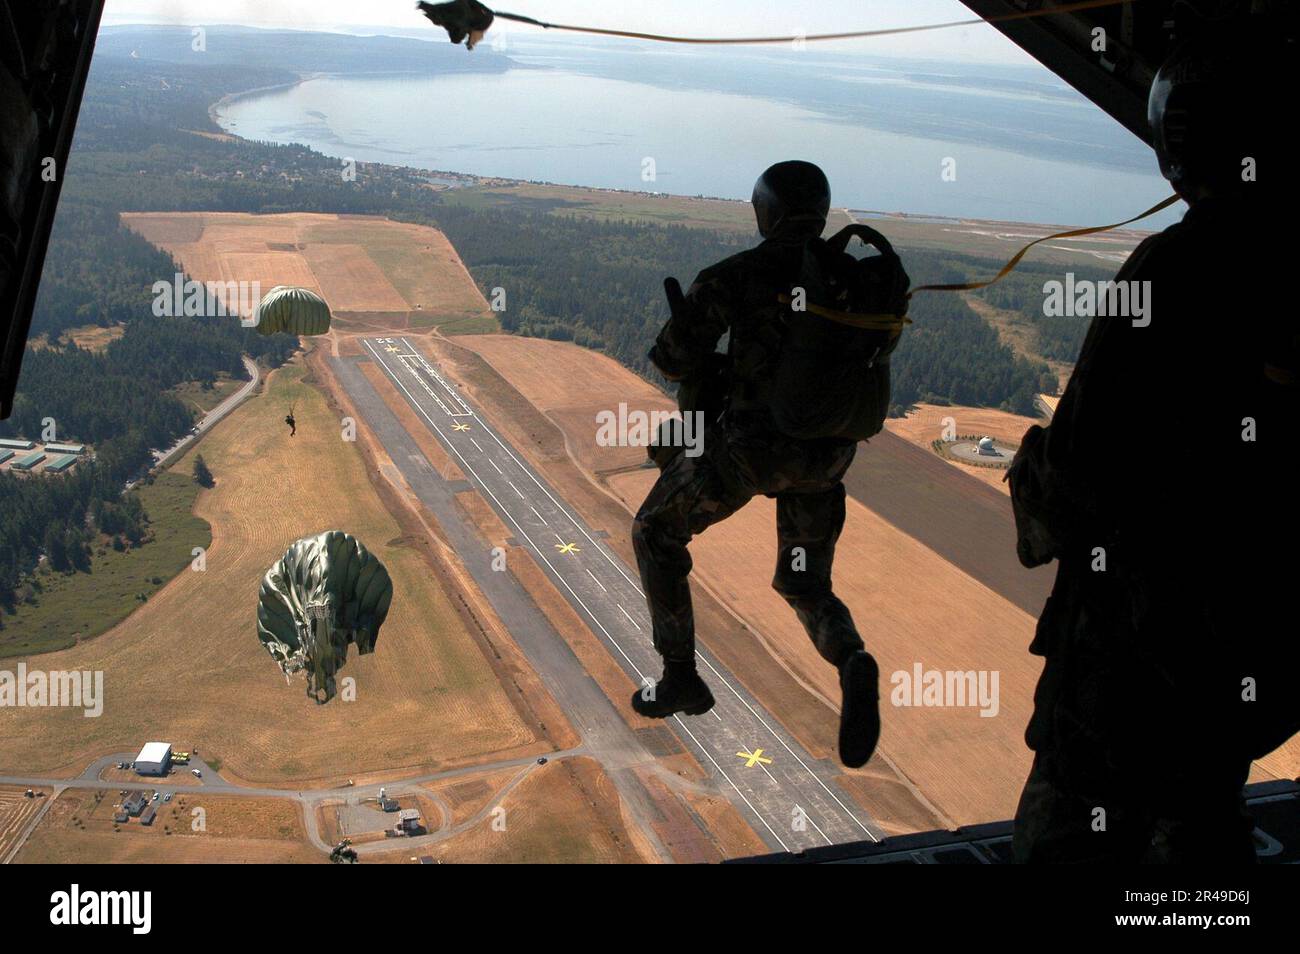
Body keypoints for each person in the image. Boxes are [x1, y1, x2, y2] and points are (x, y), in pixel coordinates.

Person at [1007, 22, 1298, 863]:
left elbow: (1078, 475)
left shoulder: (1179, 268)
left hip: (1144, 652)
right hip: (1264, 636)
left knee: (1073, 833)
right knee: (1204, 810)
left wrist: (1029, 481)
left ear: (1182, 138)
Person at [630, 160, 891, 769]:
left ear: (765, 213)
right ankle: (852, 660)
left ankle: (679, 675)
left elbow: (671, 360)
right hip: (827, 459)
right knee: (805, 584)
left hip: (749, 456)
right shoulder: (850, 278)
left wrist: (708, 359)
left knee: (655, 531)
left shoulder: (738, 275)